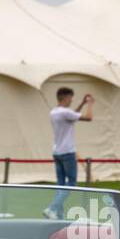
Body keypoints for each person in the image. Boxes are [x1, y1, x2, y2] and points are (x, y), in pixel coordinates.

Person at [43, 86, 93, 219]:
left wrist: (82, 103)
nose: (71, 100)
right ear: (66, 97)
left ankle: (58, 213)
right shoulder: (65, 113)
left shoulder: (54, 112)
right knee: (71, 183)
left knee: (60, 185)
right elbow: (88, 118)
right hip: (68, 151)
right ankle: (52, 208)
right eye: (71, 98)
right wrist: (90, 104)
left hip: (57, 151)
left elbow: (73, 115)